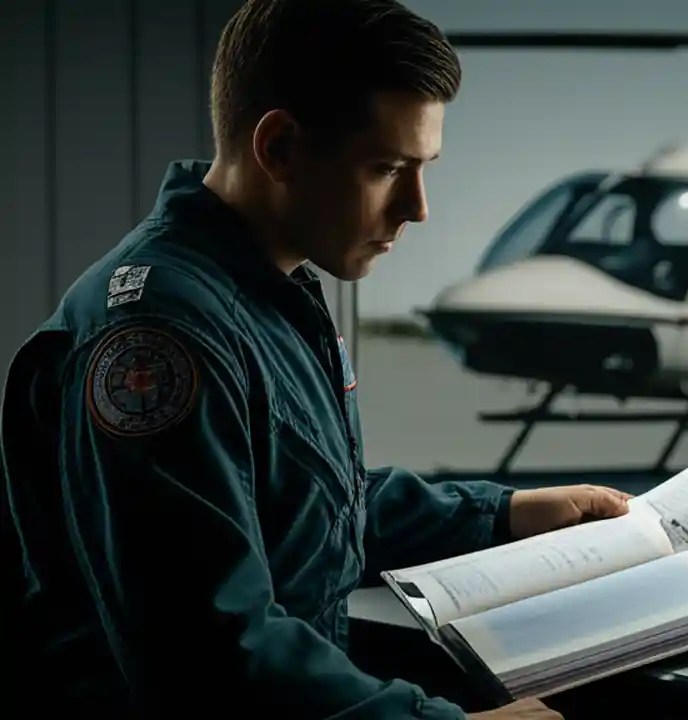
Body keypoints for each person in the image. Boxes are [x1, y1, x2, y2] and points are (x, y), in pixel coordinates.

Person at [0, 1, 628, 717]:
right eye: (389, 168)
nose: (418, 207)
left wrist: (501, 515)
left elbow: (302, 503)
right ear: (282, 148)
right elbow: (210, 657)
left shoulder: (266, 291)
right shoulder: (164, 336)